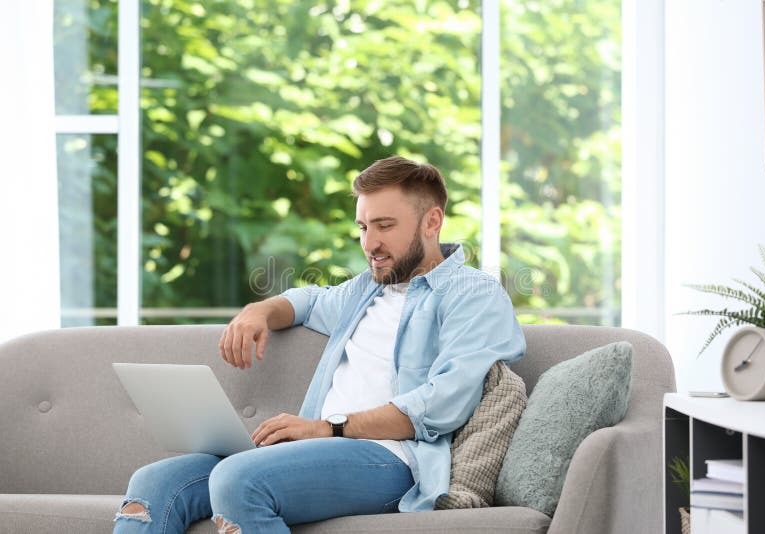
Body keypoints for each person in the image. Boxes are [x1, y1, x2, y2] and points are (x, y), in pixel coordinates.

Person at [113, 156, 525, 534]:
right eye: (363, 228)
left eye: (385, 226)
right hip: (319, 447)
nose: (370, 243)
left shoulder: (474, 295)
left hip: (396, 459)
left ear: (432, 222)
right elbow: (307, 301)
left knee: (239, 481)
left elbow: (442, 404)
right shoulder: (366, 290)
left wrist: (329, 427)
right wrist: (259, 311)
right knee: (154, 482)